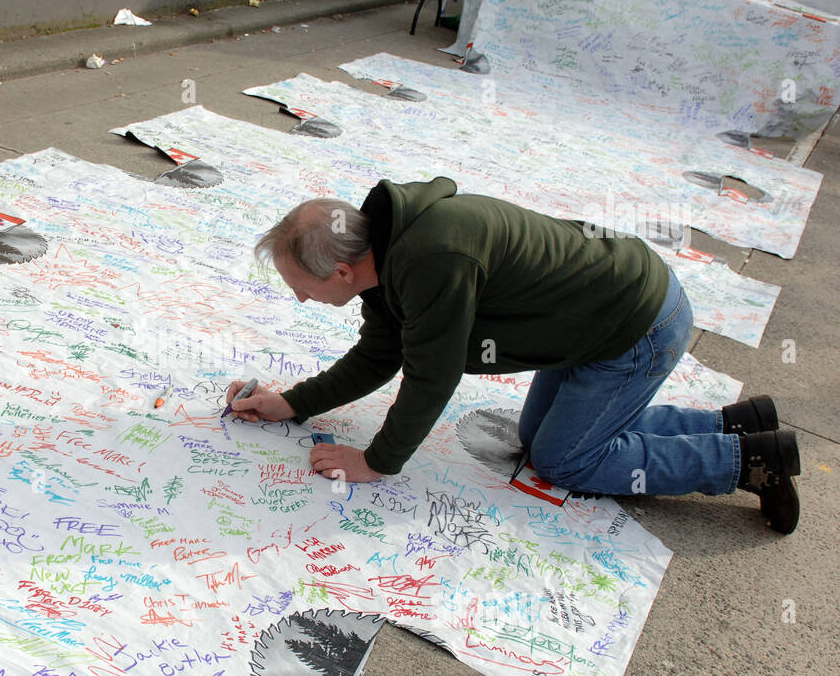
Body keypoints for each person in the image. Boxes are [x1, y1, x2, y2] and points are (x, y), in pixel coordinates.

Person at [225, 178, 801, 533]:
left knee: (563, 461)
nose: (300, 297)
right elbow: (381, 353)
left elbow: (431, 375)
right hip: (586, 324)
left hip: (636, 325)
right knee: (541, 433)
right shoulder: (385, 254)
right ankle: (736, 422)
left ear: (343, 270)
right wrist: (293, 403)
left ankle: (749, 461)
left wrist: (377, 462)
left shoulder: (431, 259)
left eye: (300, 285)